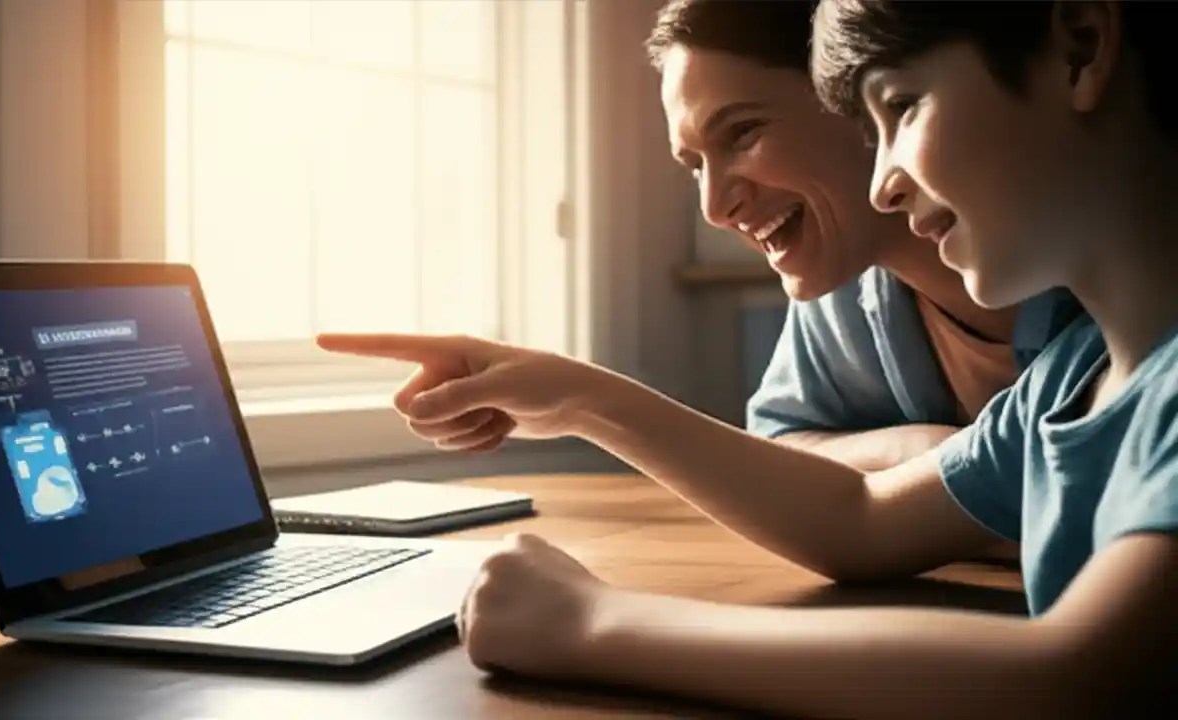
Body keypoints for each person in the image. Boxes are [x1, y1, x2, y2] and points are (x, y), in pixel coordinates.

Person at [315, 0, 1178, 716]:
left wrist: (594, 623)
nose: (883, 180)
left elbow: (1077, 673)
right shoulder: (1075, 381)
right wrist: (579, 397)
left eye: (902, 106)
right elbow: (856, 517)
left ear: (1078, 48)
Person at [647, 0, 1081, 473]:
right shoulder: (841, 286)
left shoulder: (1101, 260)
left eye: (742, 133)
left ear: (849, 92)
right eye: (694, 166)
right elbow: (776, 443)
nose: (714, 208)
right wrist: (919, 453)